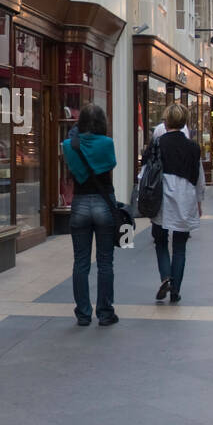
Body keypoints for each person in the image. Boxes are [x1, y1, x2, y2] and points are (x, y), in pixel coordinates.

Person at [62, 102, 119, 326]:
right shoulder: (107, 143)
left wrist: (77, 130)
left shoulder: (69, 145)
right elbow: (110, 164)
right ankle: (105, 313)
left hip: (80, 204)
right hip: (104, 205)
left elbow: (71, 140)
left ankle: (83, 313)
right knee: (105, 262)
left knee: (81, 262)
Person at [143, 103, 205, 304]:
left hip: (161, 197)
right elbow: (199, 178)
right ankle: (175, 289)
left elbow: (146, 171)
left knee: (160, 241)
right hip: (185, 197)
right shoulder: (193, 147)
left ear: (166, 121)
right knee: (180, 246)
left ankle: (165, 277)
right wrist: (199, 201)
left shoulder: (157, 143)